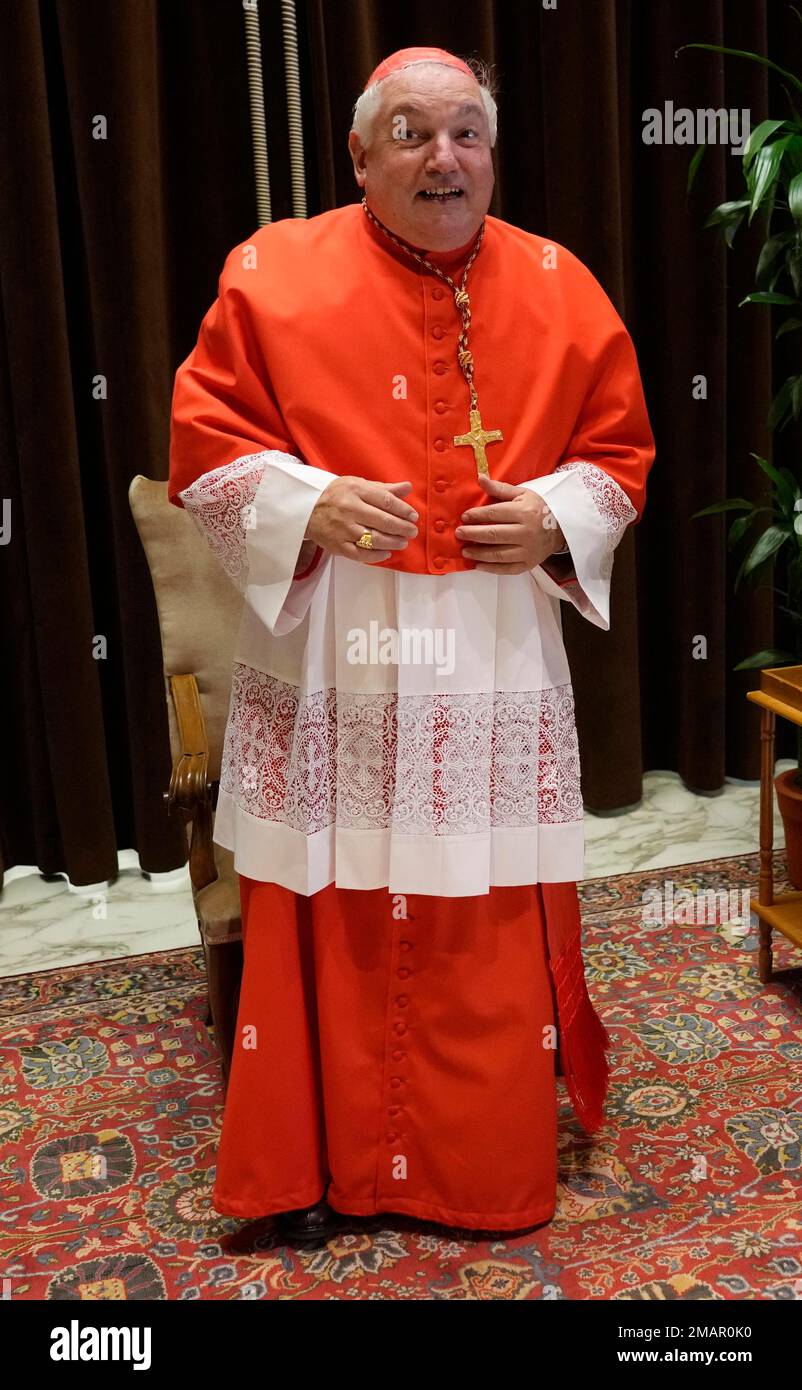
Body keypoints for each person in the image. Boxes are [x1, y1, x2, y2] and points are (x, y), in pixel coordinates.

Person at [168, 45, 655, 1245]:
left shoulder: (562, 282)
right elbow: (204, 446)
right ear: (359, 153)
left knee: (480, 919)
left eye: (466, 135)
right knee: (332, 904)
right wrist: (303, 505)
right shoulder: (270, 272)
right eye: (410, 133)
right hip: (339, 642)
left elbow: (620, 455)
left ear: (491, 151)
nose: (443, 159)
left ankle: (475, 1168)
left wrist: (555, 515)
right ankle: (316, 1161)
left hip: (490, 648)